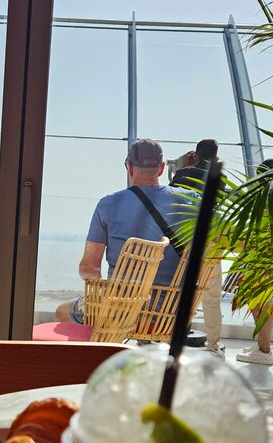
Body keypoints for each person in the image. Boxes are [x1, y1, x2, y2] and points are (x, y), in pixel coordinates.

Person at [55, 138, 195, 324]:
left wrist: (100, 297)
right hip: (173, 314)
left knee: (61, 312)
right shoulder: (192, 201)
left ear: (129, 167)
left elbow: (89, 268)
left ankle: (104, 348)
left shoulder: (109, 205)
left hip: (119, 311)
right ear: (161, 169)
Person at [171, 138, 225, 357]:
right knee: (211, 294)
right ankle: (214, 344)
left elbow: (171, 196)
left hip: (184, 239)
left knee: (181, 290)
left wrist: (183, 166)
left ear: (195, 153)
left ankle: (176, 335)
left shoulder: (182, 174)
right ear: (216, 155)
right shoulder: (220, 177)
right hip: (211, 239)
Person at [234, 158, 273, 366]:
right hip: (269, 260)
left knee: (261, 306)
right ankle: (262, 348)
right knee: (259, 305)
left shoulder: (267, 199)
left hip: (261, 260)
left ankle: (264, 352)